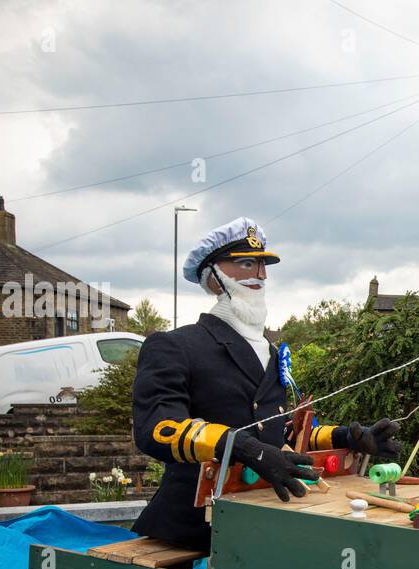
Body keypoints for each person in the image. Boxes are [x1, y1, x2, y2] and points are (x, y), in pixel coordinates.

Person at [131, 216, 400, 550]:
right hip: (192, 529)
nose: (260, 275)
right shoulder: (175, 345)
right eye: (246, 264)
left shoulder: (270, 352)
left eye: (262, 266)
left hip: (267, 519)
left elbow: (282, 433)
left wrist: (349, 438)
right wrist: (244, 449)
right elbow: (156, 429)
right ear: (214, 277)